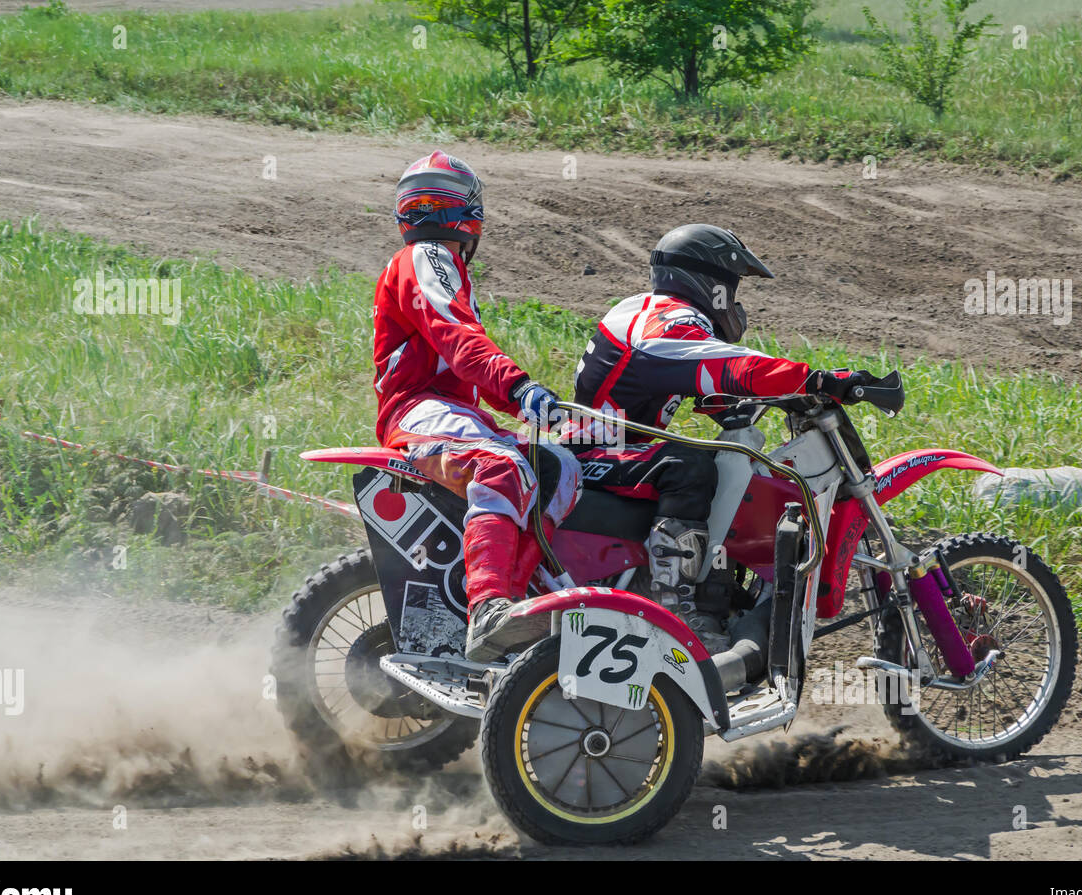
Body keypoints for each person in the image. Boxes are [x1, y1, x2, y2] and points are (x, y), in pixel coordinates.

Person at [564, 223, 877, 650]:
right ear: (710, 282)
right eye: (732, 287)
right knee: (688, 468)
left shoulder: (645, 311)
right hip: (596, 453)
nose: (734, 300)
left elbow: (702, 383)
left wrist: (771, 400)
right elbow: (734, 368)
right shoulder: (672, 321)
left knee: (706, 461)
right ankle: (675, 604)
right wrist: (818, 380)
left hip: (602, 446)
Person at [372, 150, 580, 662]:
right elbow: (461, 341)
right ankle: (488, 606)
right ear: (466, 214)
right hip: (415, 409)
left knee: (562, 467)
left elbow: (465, 364)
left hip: (450, 410)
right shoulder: (427, 259)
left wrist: (534, 406)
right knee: (504, 465)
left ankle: (525, 601)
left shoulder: (432, 265)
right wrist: (519, 388)